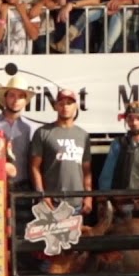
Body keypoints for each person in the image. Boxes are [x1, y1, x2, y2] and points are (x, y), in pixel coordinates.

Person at [97, 100, 139, 221]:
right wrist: (105, 201)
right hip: (118, 206)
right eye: (130, 118)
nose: (134, 122)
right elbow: (106, 176)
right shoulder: (117, 145)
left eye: (138, 118)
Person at [29, 87, 91, 215]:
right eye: (61, 103)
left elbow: (86, 170)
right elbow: (34, 167)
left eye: (69, 103)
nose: (65, 107)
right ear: (56, 106)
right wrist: (42, 194)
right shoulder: (43, 132)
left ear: (76, 106)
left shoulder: (83, 135)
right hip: (52, 203)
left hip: (77, 203)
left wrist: (88, 196)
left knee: (77, 235)